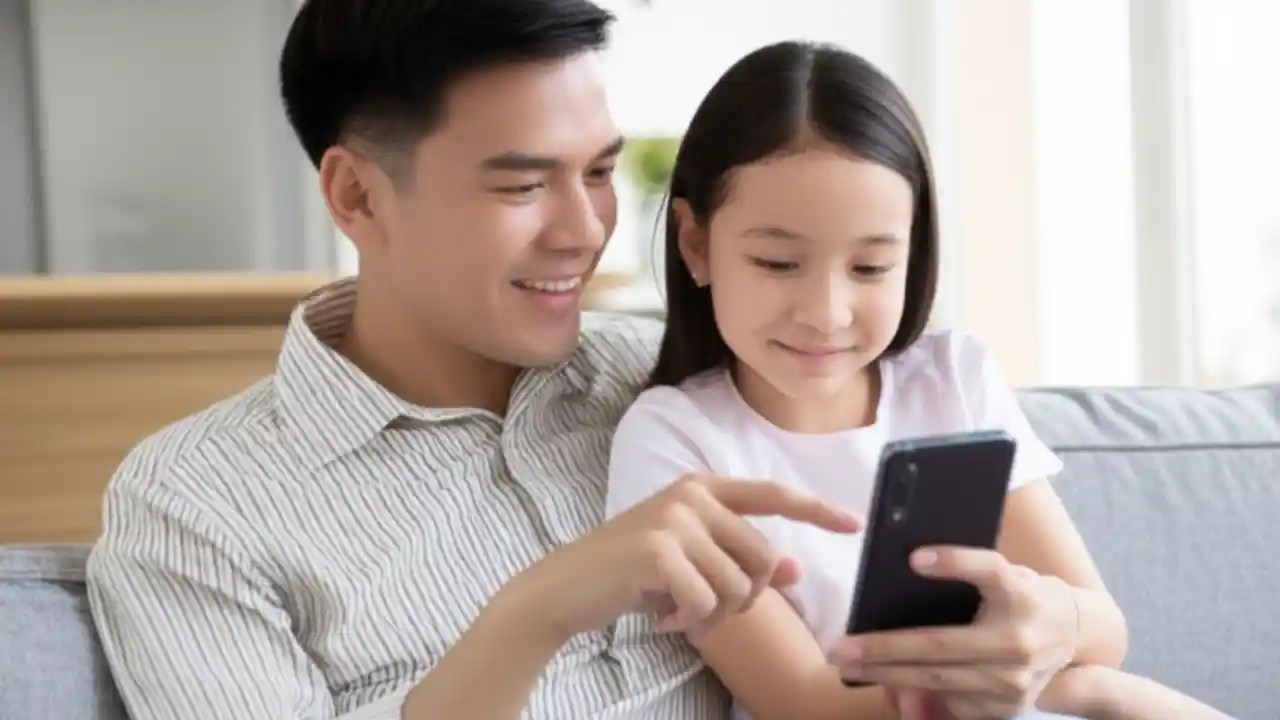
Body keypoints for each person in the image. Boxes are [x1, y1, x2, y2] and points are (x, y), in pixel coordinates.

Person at [84, 2, 864, 719]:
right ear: (356, 194)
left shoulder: (674, 380)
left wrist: (977, 645)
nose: (583, 232)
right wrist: (536, 613)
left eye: (597, 174)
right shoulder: (193, 505)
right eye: (524, 185)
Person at [603, 41, 1223, 720]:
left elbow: (1102, 630)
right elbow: (805, 702)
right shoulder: (674, 439)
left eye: (870, 268)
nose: (826, 314)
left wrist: (1065, 643)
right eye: (778, 263)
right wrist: (1074, 686)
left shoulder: (951, 377)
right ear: (696, 243)